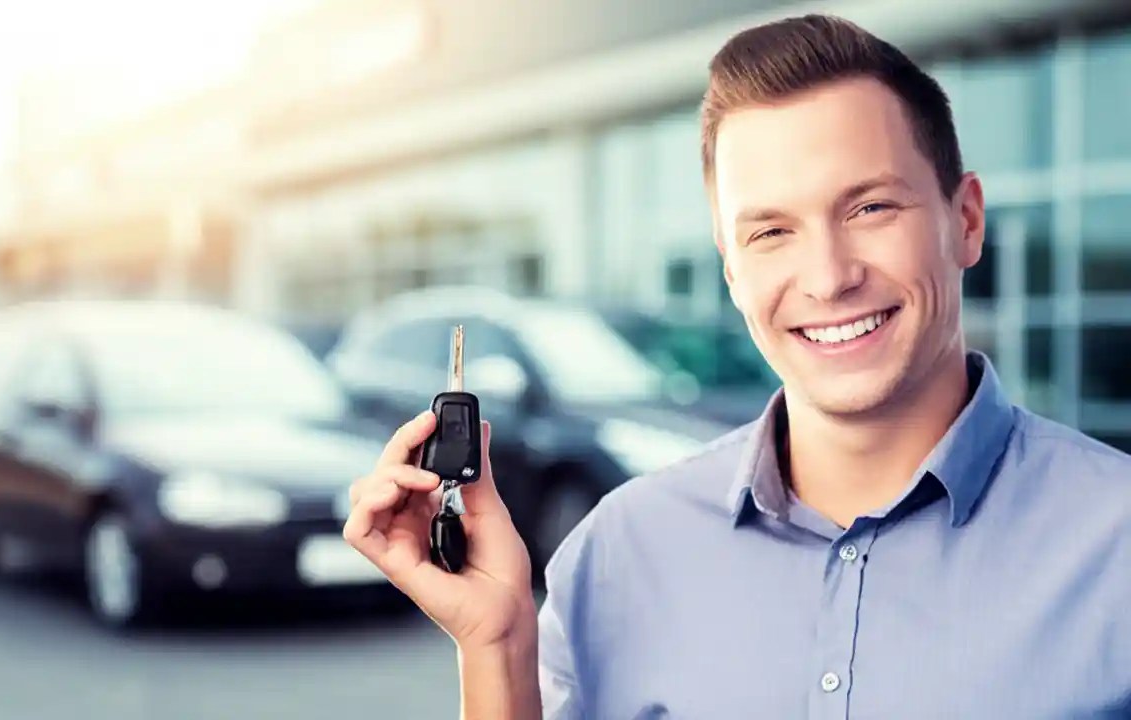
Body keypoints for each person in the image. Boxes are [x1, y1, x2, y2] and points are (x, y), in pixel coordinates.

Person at [343, 13, 1131, 719]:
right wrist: (497, 650)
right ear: (731, 272)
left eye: (870, 209)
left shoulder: (1114, 543)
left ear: (964, 222)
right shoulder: (618, 553)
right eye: (770, 233)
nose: (828, 277)